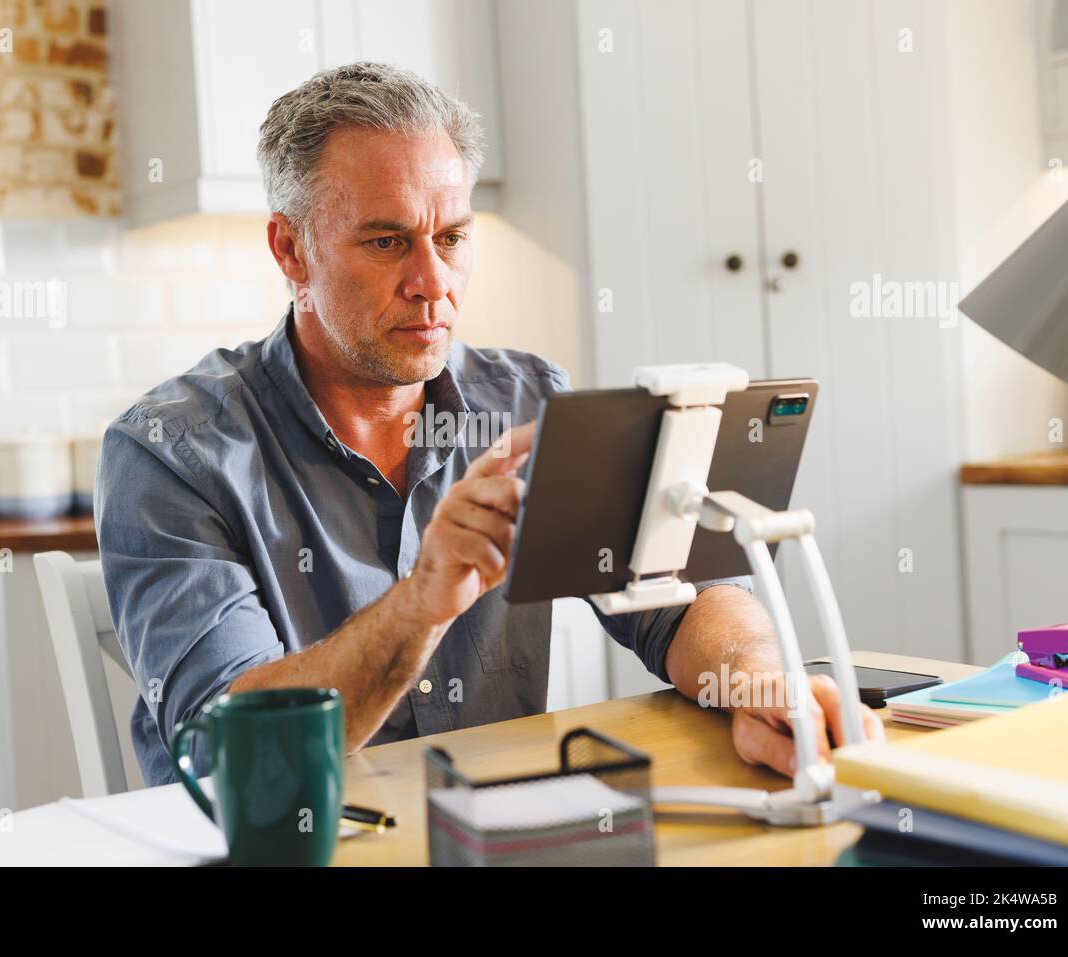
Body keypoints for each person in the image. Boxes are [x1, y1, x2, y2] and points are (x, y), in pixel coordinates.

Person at [95, 62, 883, 787]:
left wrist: (758, 684)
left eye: (452, 238)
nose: (431, 282)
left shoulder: (529, 401)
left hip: (495, 830)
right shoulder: (171, 454)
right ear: (290, 249)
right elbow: (232, 751)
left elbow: (685, 594)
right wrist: (421, 601)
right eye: (387, 241)